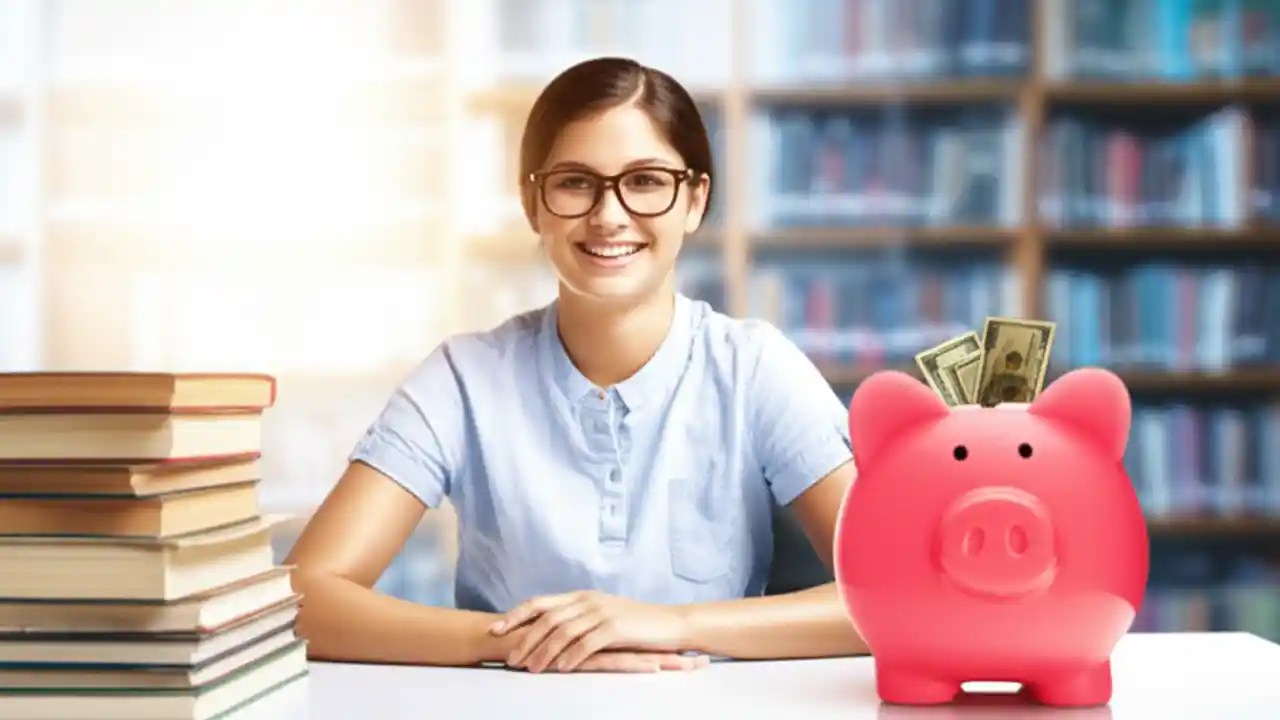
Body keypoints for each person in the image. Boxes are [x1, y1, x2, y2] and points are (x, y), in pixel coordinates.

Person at [285, 56, 866, 674]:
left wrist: (672, 626)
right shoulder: (463, 379)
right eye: (574, 182)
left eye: (645, 181)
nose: (609, 215)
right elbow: (301, 600)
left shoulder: (754, 368)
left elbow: (900, 593)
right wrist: (515, 641)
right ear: (532, 203)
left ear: (695, 200)